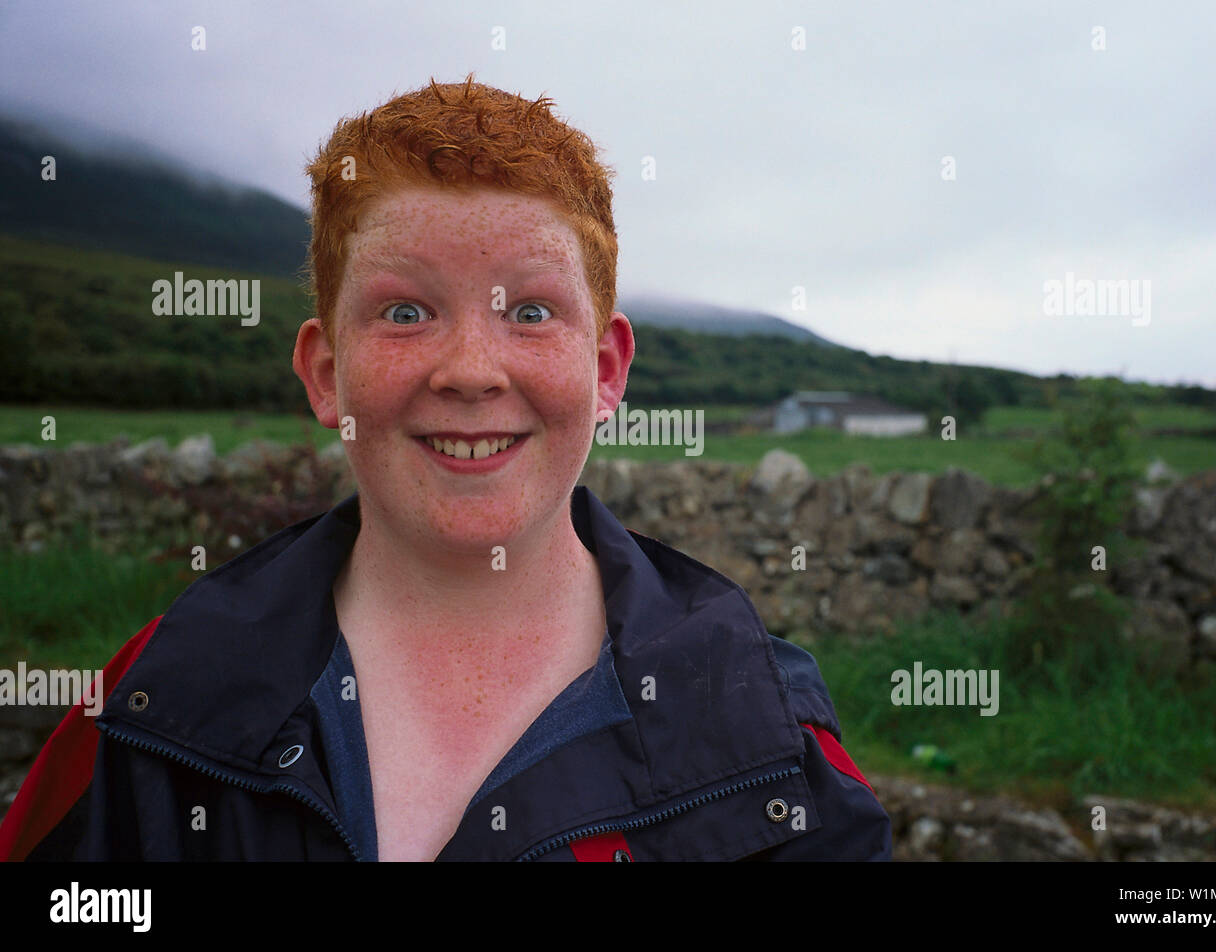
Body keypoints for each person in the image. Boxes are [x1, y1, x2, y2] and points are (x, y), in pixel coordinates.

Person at [0, 74, 891, 861]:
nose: (470, 369)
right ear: (323, 373)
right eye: (405, 311)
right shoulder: (152, 702)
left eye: (533, 311)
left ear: (608, 371)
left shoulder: (769, 742)